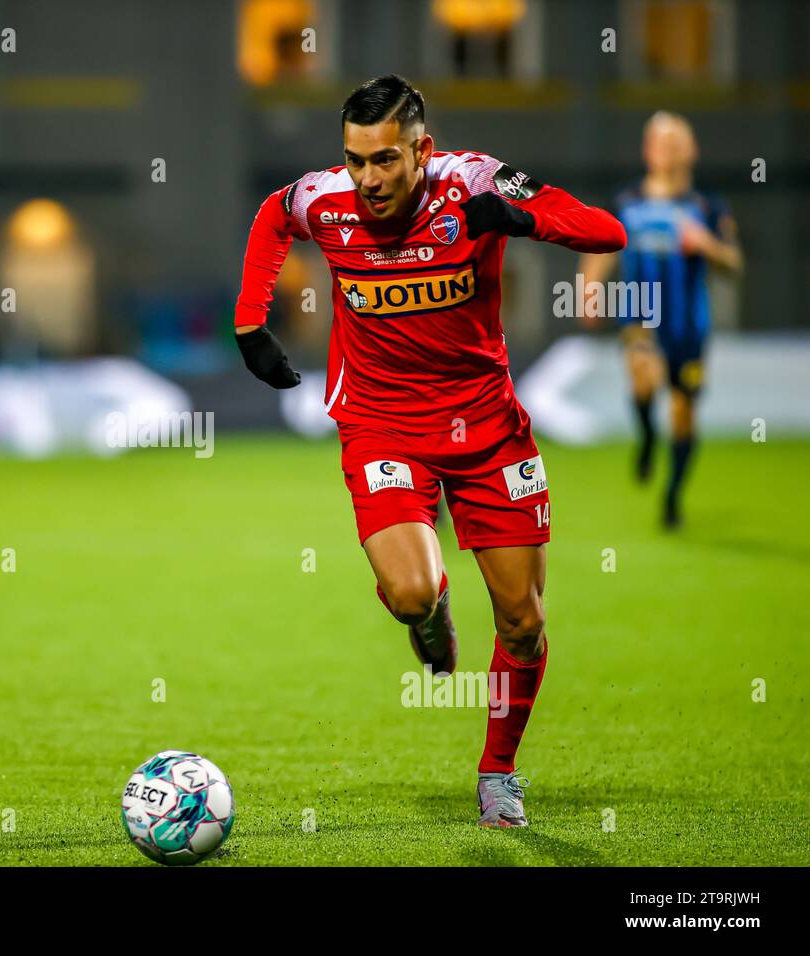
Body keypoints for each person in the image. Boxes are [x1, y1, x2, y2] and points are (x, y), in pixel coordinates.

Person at [233, 74, 625, 827]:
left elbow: (606, 231)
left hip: (486, 428)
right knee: (413, 591)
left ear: (422, 150)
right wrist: (251, 324)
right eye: (354, 160)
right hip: (382, 424)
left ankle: (498, 773)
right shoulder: (324, 198)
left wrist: (522, 217)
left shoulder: (475, 181)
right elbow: (270, 216)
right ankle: (428, 615)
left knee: (523, 623)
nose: (368, 180)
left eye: (384, 161)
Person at [578, 111, 742, 527]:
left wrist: (707, 246)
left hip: (689, 326)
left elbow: (734, 264)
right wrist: (590, 288)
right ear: (647, 150)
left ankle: (672, 496)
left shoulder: (708, 205)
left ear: (691, 150)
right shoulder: (626, 201)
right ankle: (649, 435)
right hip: (641, 315)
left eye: (674, 143)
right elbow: (601, 247)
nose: (665, 150)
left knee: (684, 413)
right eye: (658, 142)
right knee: (643, 375)